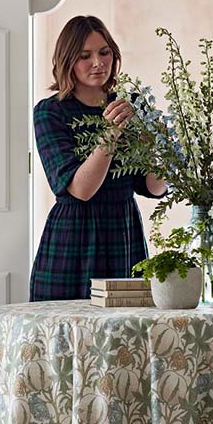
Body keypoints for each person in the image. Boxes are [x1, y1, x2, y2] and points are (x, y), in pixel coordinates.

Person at [29, 15, 167, 301]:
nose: (98, 63)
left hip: (123, 232)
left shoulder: (131, 106)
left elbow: (155, 188)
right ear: (67, 61)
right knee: (67, 339)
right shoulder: (50, 112)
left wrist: (157, 145)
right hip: (73, 239)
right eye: (85, 55)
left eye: (104, 52)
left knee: (127, 337)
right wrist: (112, 133)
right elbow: (81, 189)